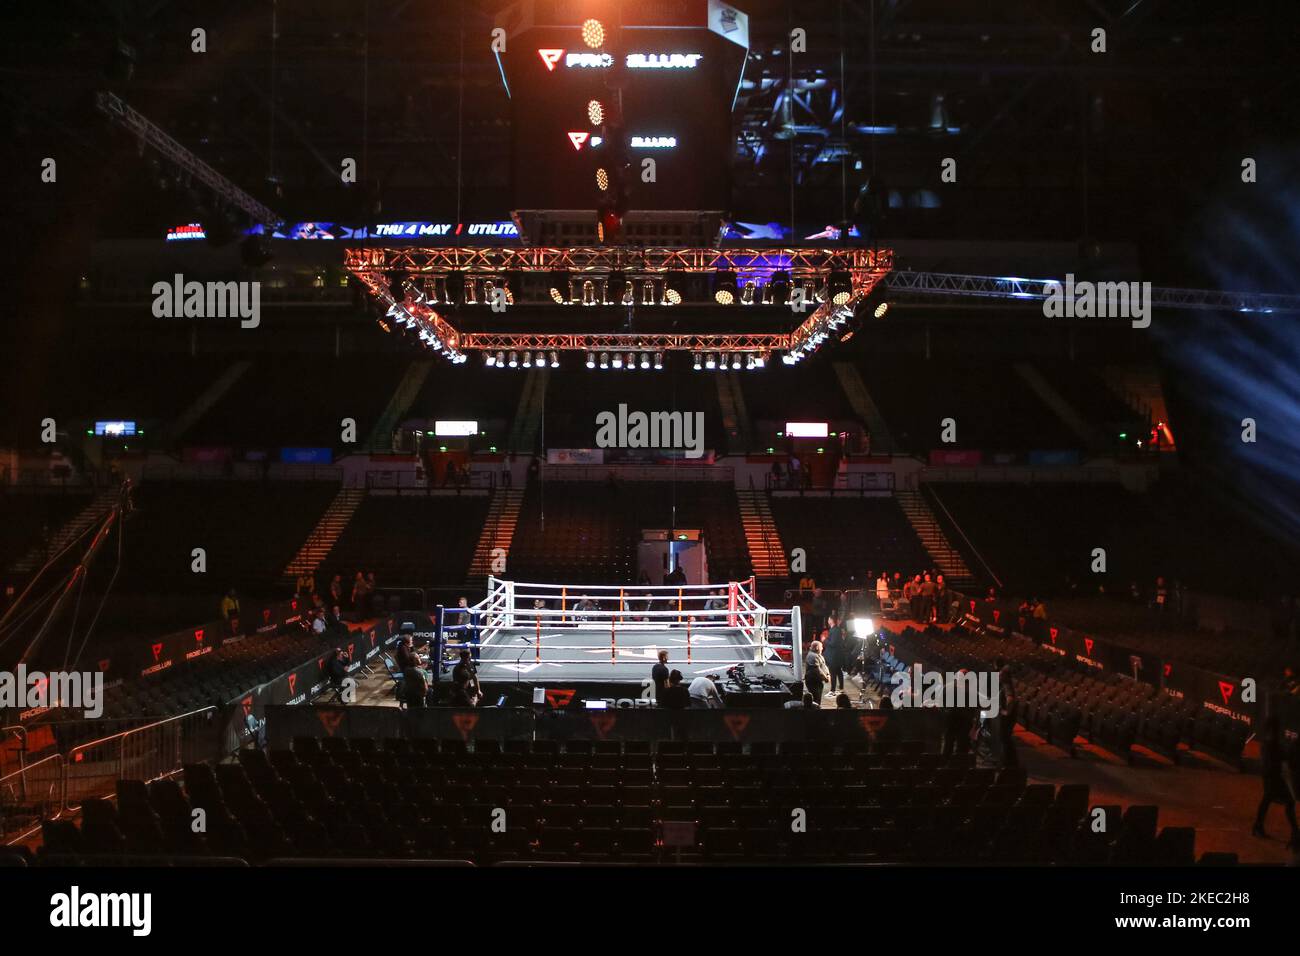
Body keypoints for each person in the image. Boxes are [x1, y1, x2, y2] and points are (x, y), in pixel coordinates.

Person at [1251, 713, 1299, 850]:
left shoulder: (1268, 742)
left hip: (1269, 776)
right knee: (1288, 802)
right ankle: (1295, 832)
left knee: (1267, 800)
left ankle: (1258, 826)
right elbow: (1283, 756)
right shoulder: (1272, 743)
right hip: (1274, 778)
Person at [823, 615, 847, 694]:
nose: (827, 621)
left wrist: (825, 640)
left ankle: (833, 690)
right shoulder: (835, 629)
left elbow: (833, 643)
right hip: (836, 655)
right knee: (838, 672)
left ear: (831, 620)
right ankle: (841, 688)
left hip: (834, 656)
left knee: (833, 673)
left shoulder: (835, 630)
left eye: (828, 619)